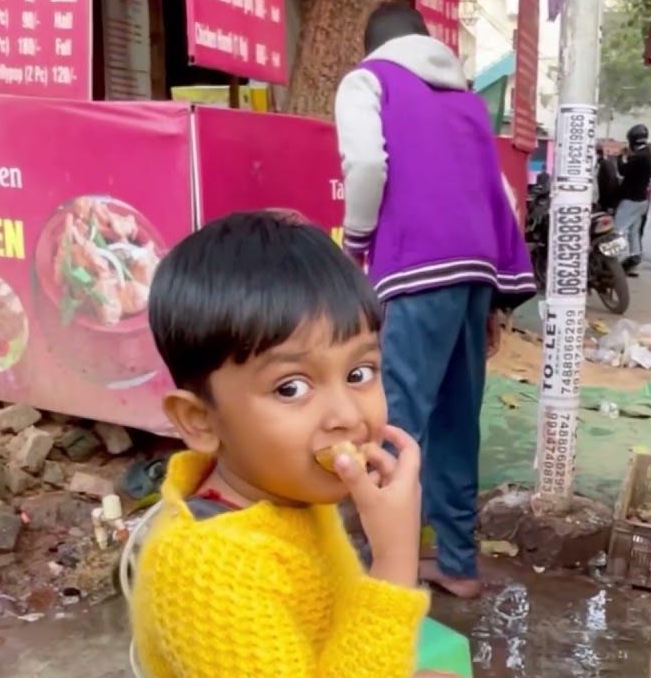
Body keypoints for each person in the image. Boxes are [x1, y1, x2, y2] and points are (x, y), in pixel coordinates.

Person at [131, 211, 448, 677]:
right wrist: (395, 559)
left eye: (360, 373)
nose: (347, 417)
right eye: (291, 388)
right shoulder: (208, 569)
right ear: (200, 420)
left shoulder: (288, 493)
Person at [333, 2, 536, 598]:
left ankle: (383, 570)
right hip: (476, 272)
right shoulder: (467, 101)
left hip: (417, 269)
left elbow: (367, 162)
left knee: (395, 420)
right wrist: (494, 300)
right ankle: (457, 562)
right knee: (455, 419)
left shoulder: (367, 80)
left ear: (371, 45)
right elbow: (500, 194)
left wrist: (357, 243)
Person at [614, 123, 651, 274]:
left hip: (630, 200)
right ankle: (634, 257)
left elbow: (622, 171)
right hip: (642, 201)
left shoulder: (639, 157)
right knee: (634, 231)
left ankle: (611, 263)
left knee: (617, 231)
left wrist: (620, 157)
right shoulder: (649, 155)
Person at [595, 146, 621, 213]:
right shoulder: (600, 164)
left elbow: (612, 182)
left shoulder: (606, 163)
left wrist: (609, 204)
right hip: (601, 202)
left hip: (605, 202)